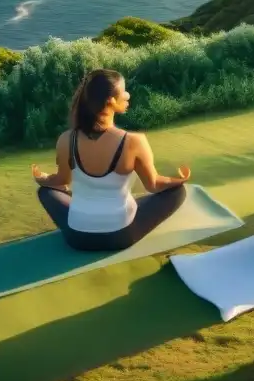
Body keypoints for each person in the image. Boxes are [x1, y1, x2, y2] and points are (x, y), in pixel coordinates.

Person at [32, 69, 190, 251]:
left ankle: (88, 211)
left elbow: (61, 181)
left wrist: (43, 178)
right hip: (120, 236)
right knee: (178, 192)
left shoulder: (66, 139)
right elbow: (154, 185)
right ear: (110, 101)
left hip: (78, 238)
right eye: (124, 91)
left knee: (45, 192)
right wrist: (179, 180)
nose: (127, 95)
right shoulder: (134, 141)